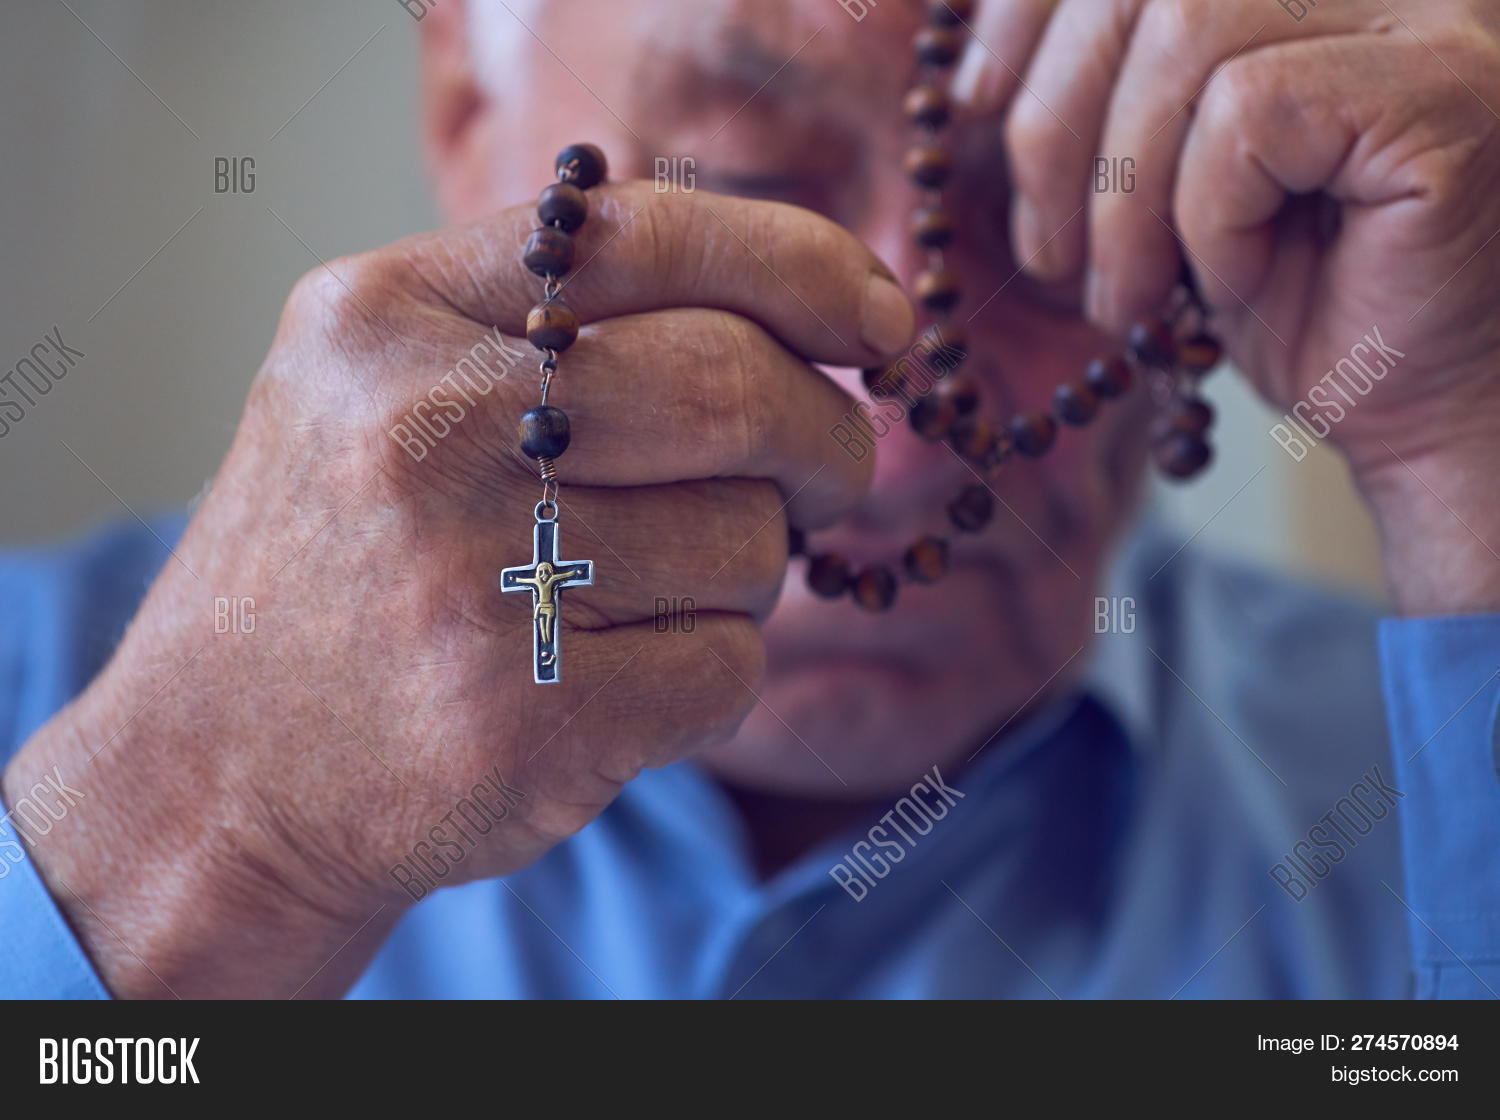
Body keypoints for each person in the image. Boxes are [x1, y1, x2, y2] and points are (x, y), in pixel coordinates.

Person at [3, 0, 1499, 999]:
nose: (895, 452)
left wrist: (1462, 445)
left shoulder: (1422, 788)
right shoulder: (41, 702)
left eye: (1041, 226)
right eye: (741, 190)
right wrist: (205, 851)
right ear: (468, 106)